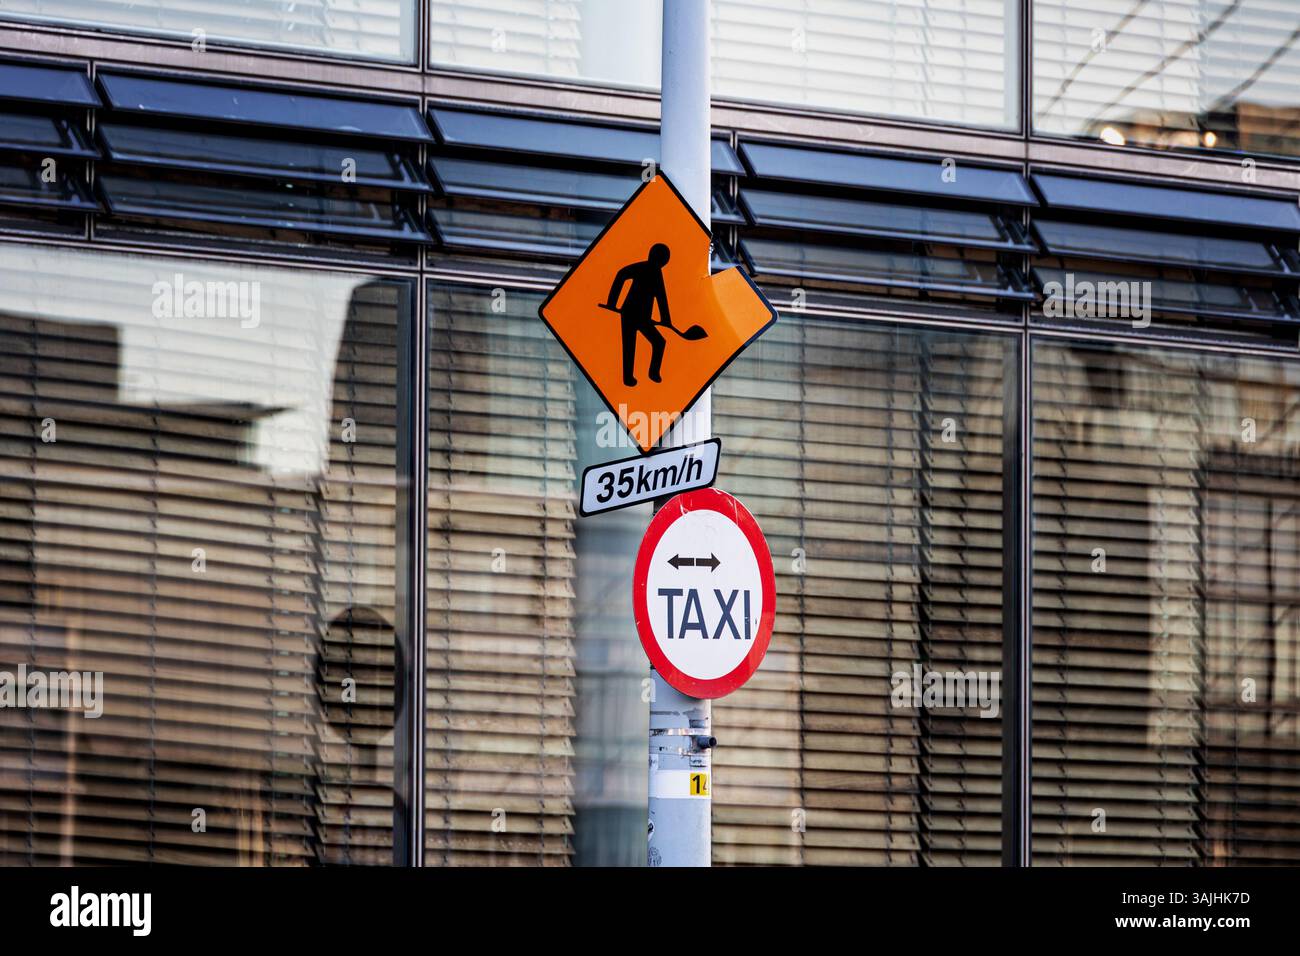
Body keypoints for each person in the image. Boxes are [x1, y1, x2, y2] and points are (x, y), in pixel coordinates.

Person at [604, 243, 673, 386]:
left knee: (658, 342)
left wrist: (666, 320)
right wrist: (611, 302)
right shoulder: (645, 268)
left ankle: (651, 373)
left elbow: (661, 298)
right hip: (631, 313)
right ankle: (630, 378)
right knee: (631, 345)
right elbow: (621, 274)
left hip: (641, 316)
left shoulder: (654, 272)